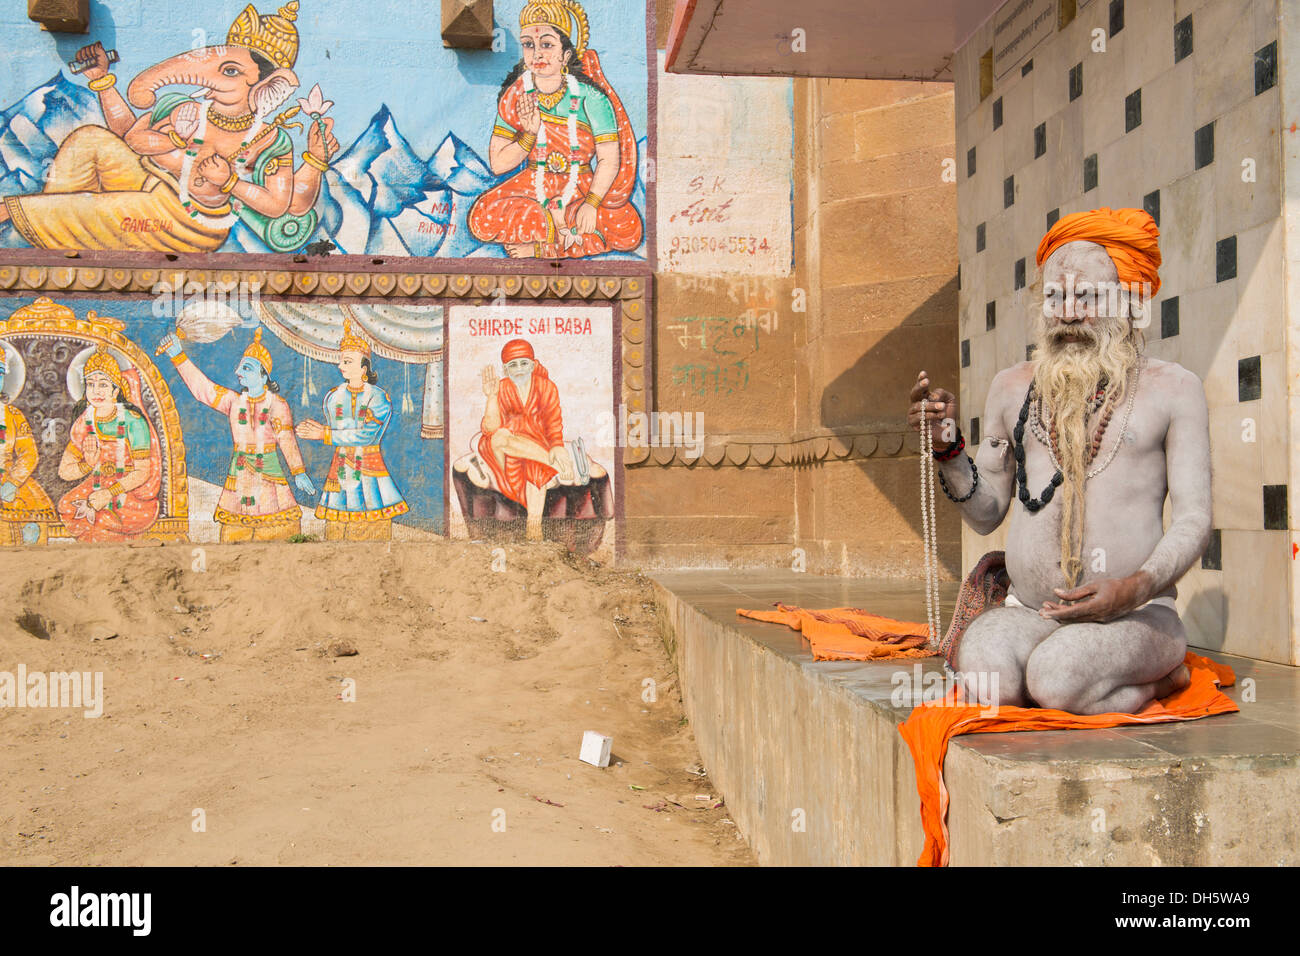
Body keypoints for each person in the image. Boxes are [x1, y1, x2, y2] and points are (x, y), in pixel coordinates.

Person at [908, 207, 1212, 715]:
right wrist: (948, 447)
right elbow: (986, 514)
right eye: (1056, 297)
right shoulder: (1011, 388)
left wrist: (1134, 588)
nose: (1069, 313)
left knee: (1055, 678)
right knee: (986, 674)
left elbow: (1195, 519)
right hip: (1032, 611)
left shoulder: (1174, 389)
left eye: (1087, 297)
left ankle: (1160, 677)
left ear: (1127, 301)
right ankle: (1112, 685)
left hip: (1136, 617)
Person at [467, 0, 643, 259]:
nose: (537, 53)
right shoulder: (516, 95)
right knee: (483, 216)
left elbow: (609, 160)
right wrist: (528, 136)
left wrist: (592, 204)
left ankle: (541, 247)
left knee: (625, 228)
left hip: (580, 189)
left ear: (566, 55)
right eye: (529, 44)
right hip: (531, 185)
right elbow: (498, 164)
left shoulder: (591, 98)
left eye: (547, 44)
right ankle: (557, 240)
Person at [161, 327, 316, 541]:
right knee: (235, 532)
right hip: (240, 472)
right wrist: (178, 356)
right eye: (240, 366)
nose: (238, 371)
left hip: (268, 473)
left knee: (275, 526)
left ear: (263, 375)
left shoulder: (277, 405)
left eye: (247, 367)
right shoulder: (234, 402)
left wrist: (298, 472)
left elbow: (286, 438)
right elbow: (203, 390)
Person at [295, 319, 407, 540]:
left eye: (347, 361)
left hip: (370, 471)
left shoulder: (378, 398)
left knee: (372, 528)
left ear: (364, 367)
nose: (340, 366)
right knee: (336, 531)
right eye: (341, 361)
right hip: (341, 471)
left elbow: (367, 435)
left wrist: (324, 433)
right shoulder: (333, 396)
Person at [57, 348, 162, 541]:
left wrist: (108, 494)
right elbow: (64, 471)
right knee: (66, 507)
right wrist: (87, 464)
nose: (96, 391)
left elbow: (142, 472)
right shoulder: (85, 421)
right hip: (95, 488)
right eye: (91, 384)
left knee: (102, 521)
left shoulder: (133, 421)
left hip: (129, 493)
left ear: (115, 390)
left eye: (103, 385)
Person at [478, 338, 572, 541]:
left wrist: (556, 445)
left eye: (523, 363)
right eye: (513, 365)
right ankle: (550, 461)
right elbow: (491, 428)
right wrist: (491, 397)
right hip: (501, 449)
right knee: (501, 436)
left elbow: (553, 422)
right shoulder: (501, 387)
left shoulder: (546, 387)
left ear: (532, 364)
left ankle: (533, 528)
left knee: (534, 470)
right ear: (505, 369)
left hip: (533, 446)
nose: (519, 369)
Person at [0, 356, 56, 545]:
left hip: (9, 480)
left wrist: (13, 482)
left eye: (0, 373)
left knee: (31, 523)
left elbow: (29, 453)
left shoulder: (13, 416)